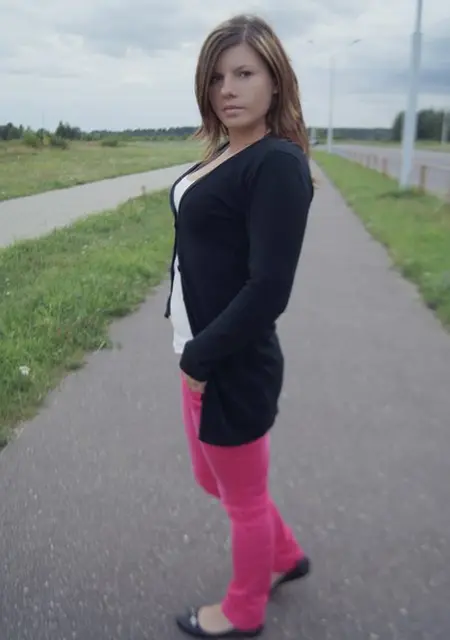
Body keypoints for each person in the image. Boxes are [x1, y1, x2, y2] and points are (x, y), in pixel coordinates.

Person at [164, 13, 314, 638]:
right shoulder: (226, 153)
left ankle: (243, 609)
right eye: (217, 77)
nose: (228, 89)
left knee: (243, 499)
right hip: (199, 348)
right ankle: (285, 555)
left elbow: (269, 289)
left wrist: (202, 358)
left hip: (230, 359)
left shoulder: (276, 164)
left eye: (245, 73)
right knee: (214, 479)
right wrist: (192, 350)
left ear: (275, 81)